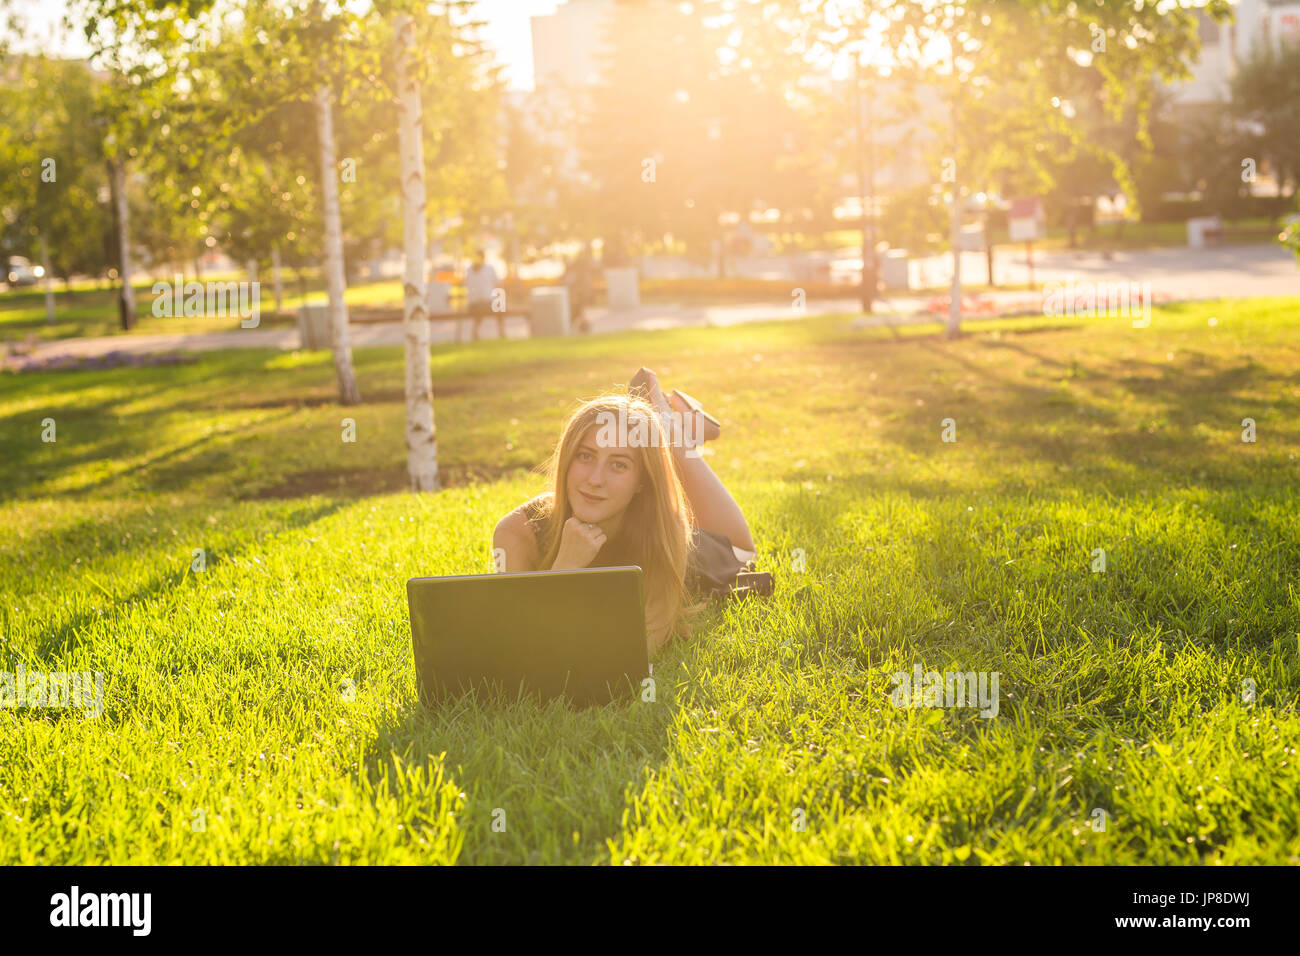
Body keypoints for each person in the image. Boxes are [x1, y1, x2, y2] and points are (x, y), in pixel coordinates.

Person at [492, 368, 756, 655]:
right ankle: (667, 427)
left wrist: (563, 585)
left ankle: (672, 431)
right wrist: (565, 569)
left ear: (642, 482)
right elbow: (516, 645)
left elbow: (636, 652)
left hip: (705, 549)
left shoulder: (663, 533)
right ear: (567, 458)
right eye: (585, 456)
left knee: (744, 554)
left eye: (618, 464)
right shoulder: (517, 531)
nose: (595, 479)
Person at [464, 250, 502, 341]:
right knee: (499, 308)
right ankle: (501, 332)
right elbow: (498, 284)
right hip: (482, 304)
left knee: (497, 308)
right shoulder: (488, 269)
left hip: (476, 304)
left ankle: (475, 332)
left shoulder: (470, 270)